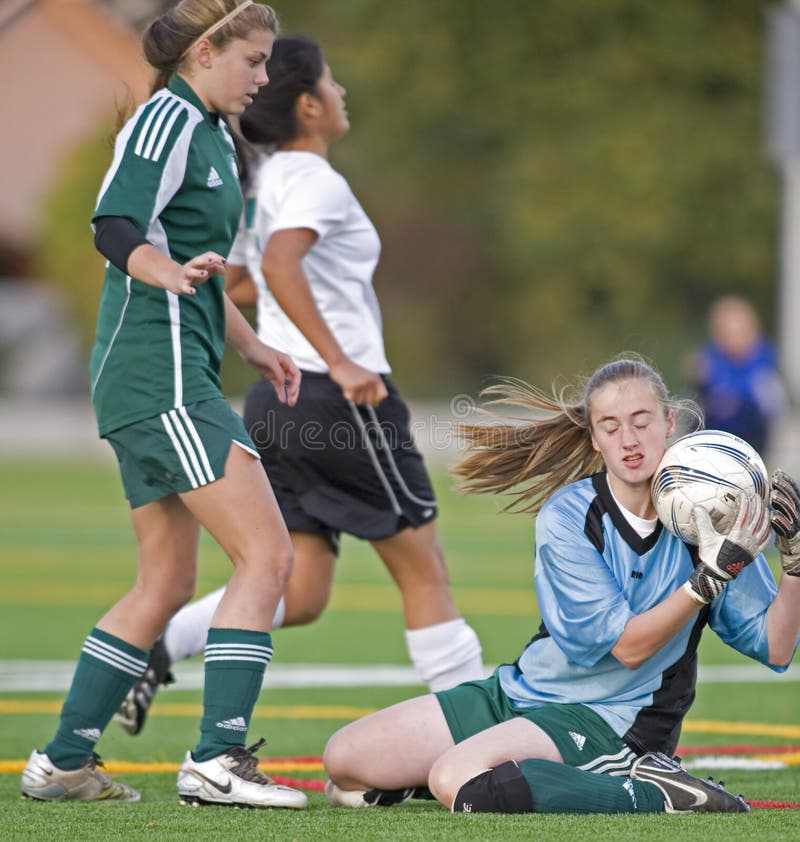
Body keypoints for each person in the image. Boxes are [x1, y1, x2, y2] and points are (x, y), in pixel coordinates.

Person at [115, 34, 484, 737]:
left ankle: (160, 647)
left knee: (303, 588)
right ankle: (482, 737)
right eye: (333, 83)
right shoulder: (316, 180)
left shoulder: (268, 179)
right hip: (337, 399)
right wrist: (342, 360)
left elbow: (248, 281)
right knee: (425, 575)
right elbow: (281, 268)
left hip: (278, 402)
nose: (343, 94)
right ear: (310, 105)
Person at [21, 1, 309, 809]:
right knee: (268, 558)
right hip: (160, 379)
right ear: (205, 51)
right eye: (252, 60)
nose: (262, 77)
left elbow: (199, 266)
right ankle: (218, 761)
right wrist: (163, 273)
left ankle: (62, 762)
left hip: (169, 375)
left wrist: (248, 343)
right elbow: (113, 225)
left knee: (166, 582)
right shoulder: (168, 118)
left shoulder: (216, 132)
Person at [322, 356, 800, 814]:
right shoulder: (570, 515)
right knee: (344, 760)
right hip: (524, 693)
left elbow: (777, 648)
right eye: (611, 427)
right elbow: (626, 647)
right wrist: (707, 581)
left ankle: (659, 793)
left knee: (454, 776)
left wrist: (794, 563)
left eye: (641, 421)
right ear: (594, 438)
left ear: (669, 423)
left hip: (614, 720)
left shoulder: (707, 522)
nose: (629, 440)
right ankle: (507, 777)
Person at [688, 295, 787, 456]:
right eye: (725, 334)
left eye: (738, 333)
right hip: (713, 435)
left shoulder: (764, 360)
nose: (732, 340)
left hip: (753, 437)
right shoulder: (712, 357)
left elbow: (773, 406)